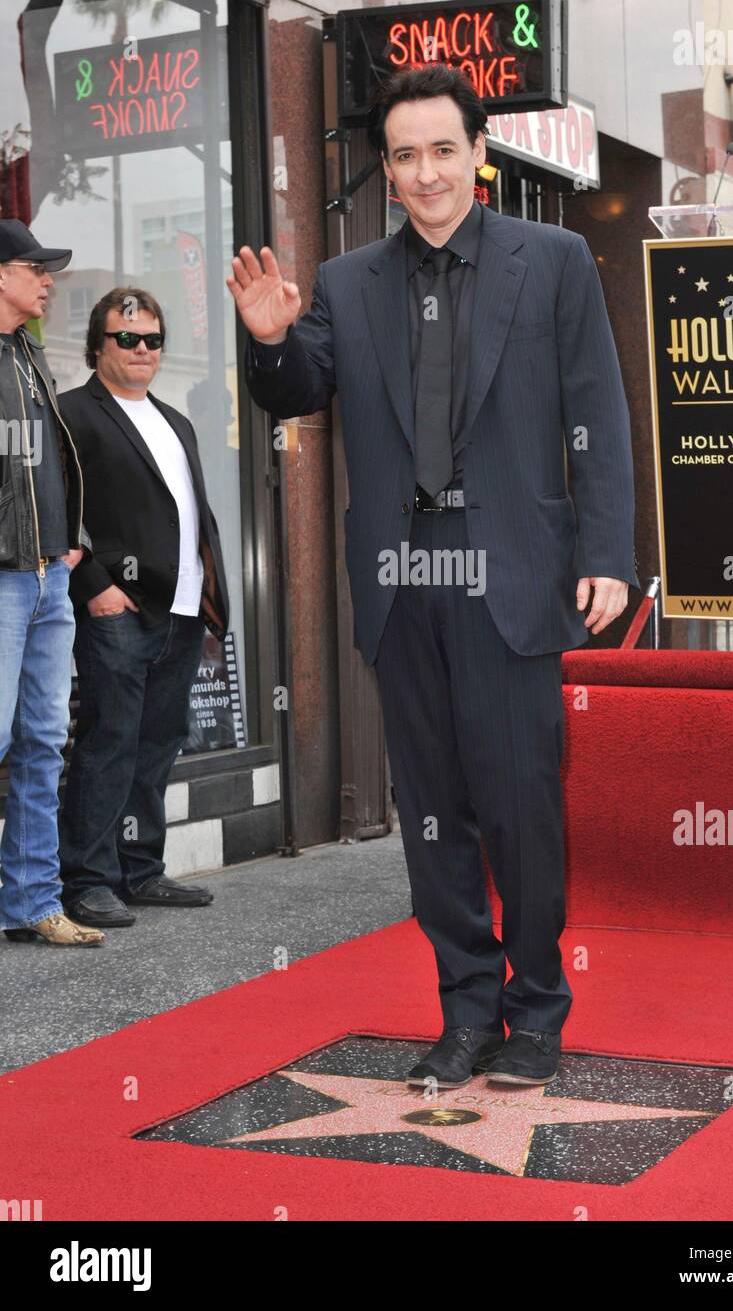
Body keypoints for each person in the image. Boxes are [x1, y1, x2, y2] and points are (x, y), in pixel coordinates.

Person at [228, 64, 638, 1088]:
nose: (425, 173)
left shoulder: (553, 263)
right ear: (388, 170)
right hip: (404, 580)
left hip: (514, 577)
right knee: (433, 814)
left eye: (442, 150)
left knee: (519, 805)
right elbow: (298, 388)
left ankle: (537, 1009)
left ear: (477, 153)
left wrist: (607, 555)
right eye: (404, 156)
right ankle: (466, 1010)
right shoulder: (347, 282)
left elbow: (599, 412)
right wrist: (270, 341)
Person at [57, 288, 230, 928]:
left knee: (157, 741)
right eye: (126, 338)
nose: (141, 350)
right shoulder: (72, 413)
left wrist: (209, 593)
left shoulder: (175, 419)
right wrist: (95, 584)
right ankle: (88, 879)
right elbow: (61, 510)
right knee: (108, 740)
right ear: (98, 346)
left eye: (152, 339)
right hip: (118, 608)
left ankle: (139, 868)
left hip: (181, 610)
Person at [0, 219, 104, 947]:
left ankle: (32, 902)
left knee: (43, 739)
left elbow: (51, 467)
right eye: (36, 268)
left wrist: (72, 547)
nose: (48, 280)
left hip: (46, 581)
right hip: (4, 582)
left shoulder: (29, 355)